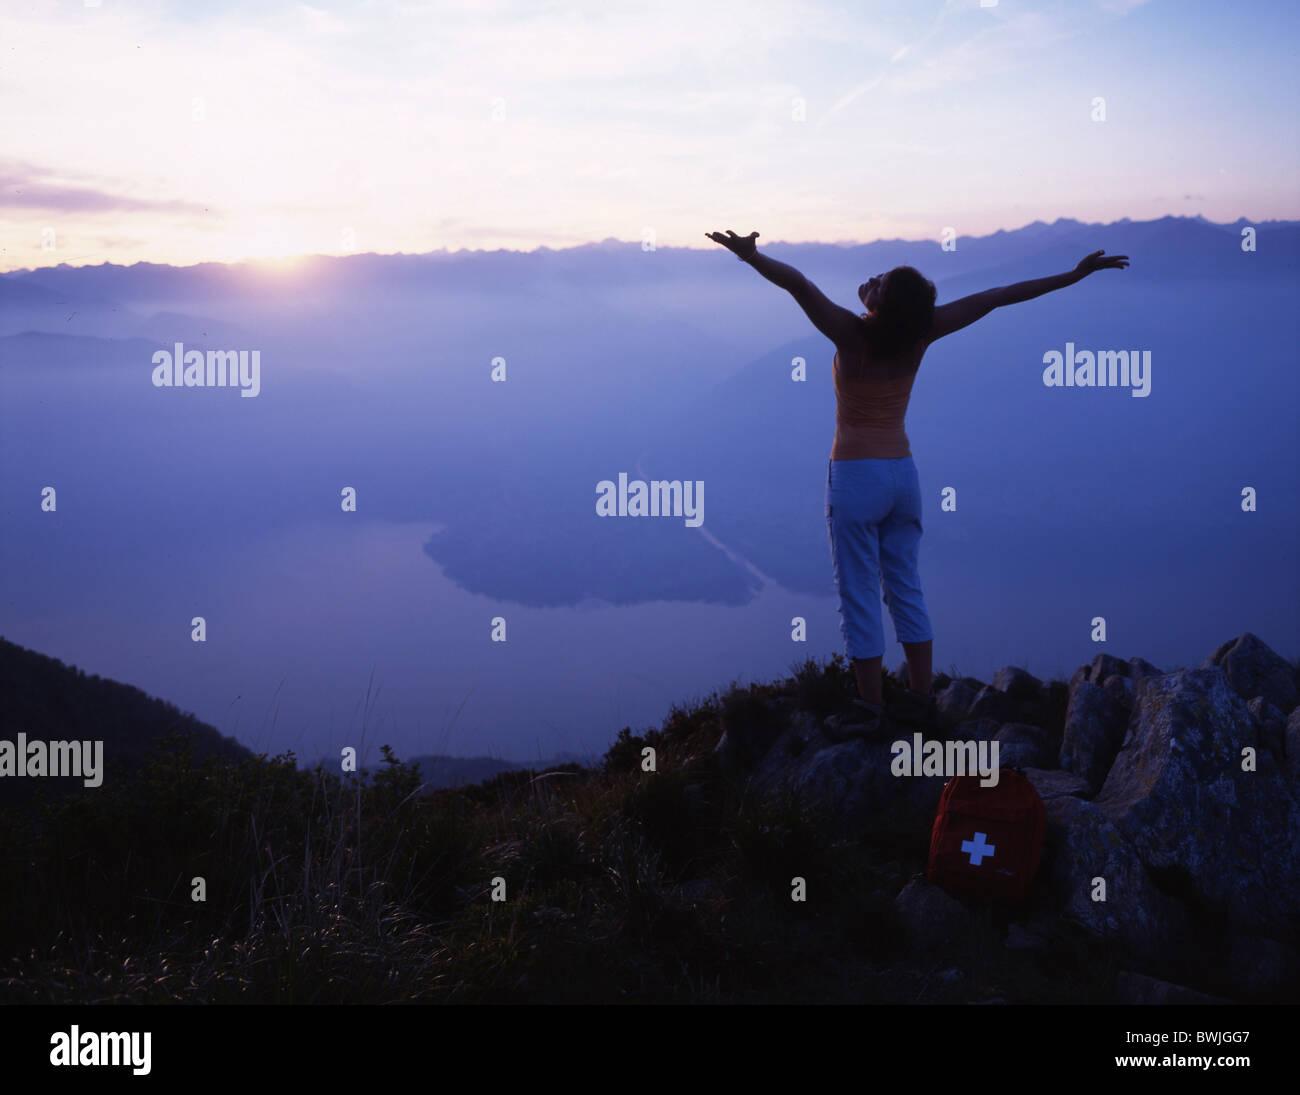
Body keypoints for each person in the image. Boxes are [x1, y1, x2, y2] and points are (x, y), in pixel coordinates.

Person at [706, 228, 1128, 736]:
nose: (873, 278)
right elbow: (999, 297)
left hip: (856, 476)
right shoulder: (921, 332)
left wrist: (752, 258)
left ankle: (869, 706)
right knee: (904, 585)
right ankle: (920, 698)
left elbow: (797, 284)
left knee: (859, 591)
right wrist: (1074, 276)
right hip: (904, 476)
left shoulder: (850, 334)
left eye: (880, 282)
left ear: (881, 305)